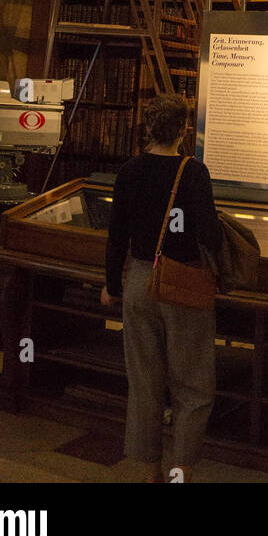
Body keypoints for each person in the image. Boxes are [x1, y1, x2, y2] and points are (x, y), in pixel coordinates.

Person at [101, 94, 222, 483]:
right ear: (184, 130)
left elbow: (116, 235)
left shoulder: (130, 171)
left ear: (148, 128)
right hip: (183, 282)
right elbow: (208, 233)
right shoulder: (194, 172)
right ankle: (180, 470)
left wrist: (111, 284)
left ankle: (147, 470)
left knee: (144, 383)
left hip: (139, 280)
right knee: (193, 384)